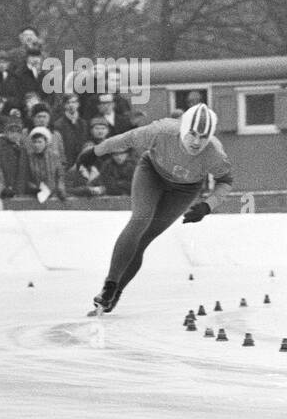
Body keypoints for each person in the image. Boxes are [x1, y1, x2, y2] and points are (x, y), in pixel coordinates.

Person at [82, 104, 233, 313]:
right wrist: (95, 151)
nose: (197, 142)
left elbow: (225, 181)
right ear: (182, 129)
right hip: (151, 173)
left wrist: (208, 206)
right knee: (140, 220)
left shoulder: (214, 153)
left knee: (144, 240)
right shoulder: (162, 130)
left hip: (184, 190)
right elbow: (126, 139)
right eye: (192, 134)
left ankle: (115, 293)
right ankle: (109, 285)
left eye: (203, 137)